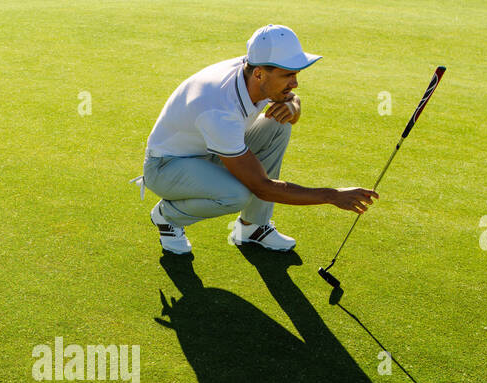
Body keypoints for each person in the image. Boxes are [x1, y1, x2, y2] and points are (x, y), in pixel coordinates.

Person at [139, 24, 377, 255]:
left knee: (277, 125)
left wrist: (294, 106)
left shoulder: (255, 72)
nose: (294, 82)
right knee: (236, 195)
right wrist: (332, 196)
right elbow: (261, 187)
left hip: (211, 149)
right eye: (288, 75)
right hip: (166, 167)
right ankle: (167, 215)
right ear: (260, 74)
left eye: (296, 74)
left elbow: (292, 99)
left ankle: (253, 226)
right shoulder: (220, 110)